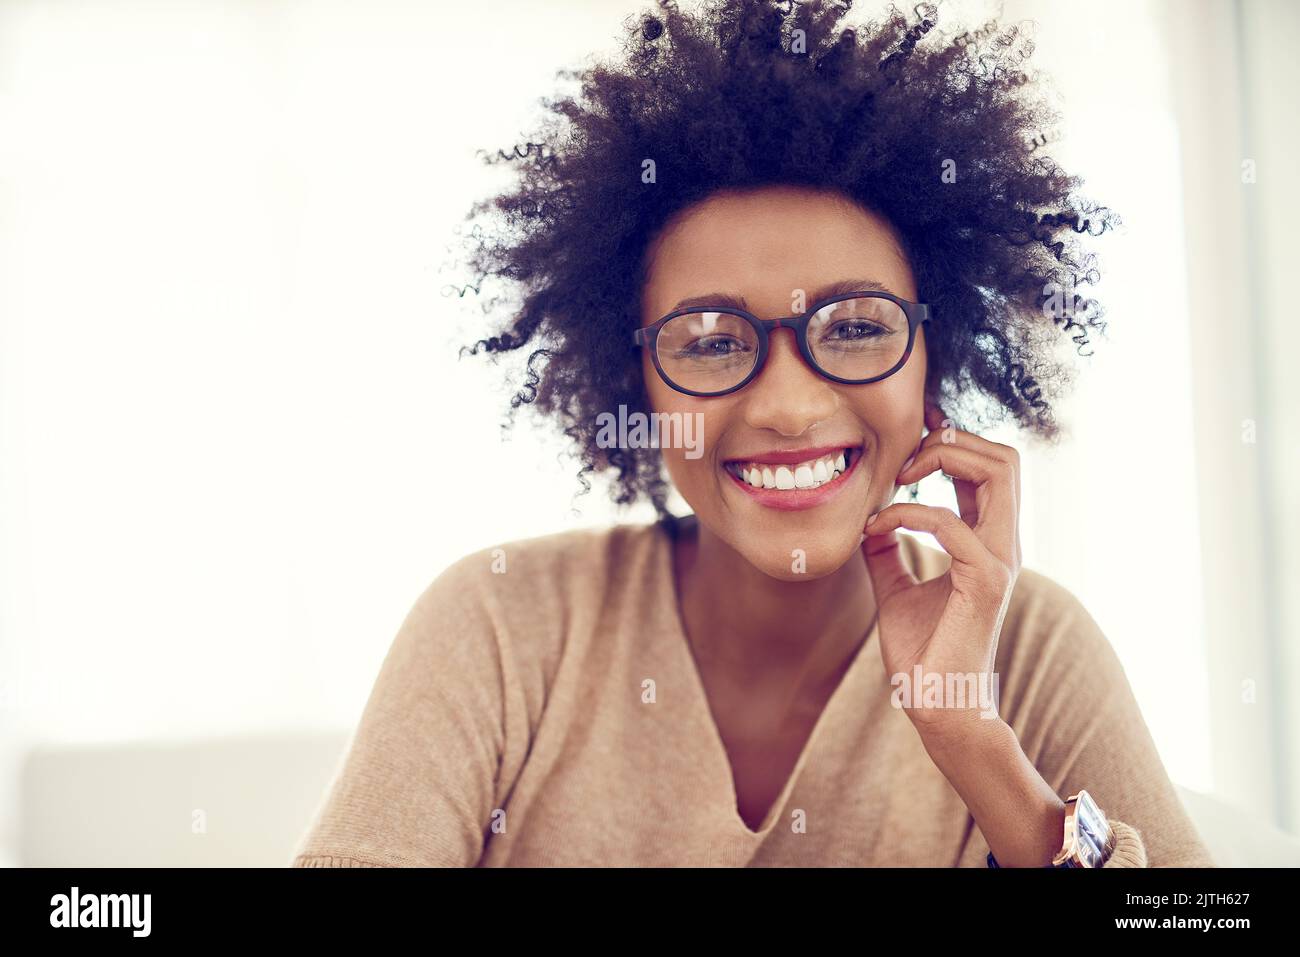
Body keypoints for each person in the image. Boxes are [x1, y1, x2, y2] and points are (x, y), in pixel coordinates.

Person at [290, 0, 1214, 867]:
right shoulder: (500, 626)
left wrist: (974, 743)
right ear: (633, 377)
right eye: (709, 341)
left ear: (939, 354)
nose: (786, 405)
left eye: (855, 327)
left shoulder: (1034, 648)